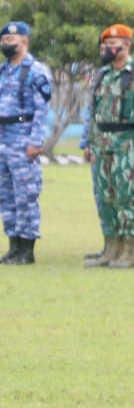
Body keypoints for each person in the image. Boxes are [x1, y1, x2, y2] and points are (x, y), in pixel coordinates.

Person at [80, 24, 134, 269]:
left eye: (113, 45)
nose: (108, 49)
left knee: (126, 197)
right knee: (106, 197)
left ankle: (129, 251)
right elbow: (94, 112)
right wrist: (90, 144)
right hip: (102, 144)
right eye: (105, 45)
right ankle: (110, 248)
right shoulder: (101, 75)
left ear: (127, 46)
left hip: (128, 145)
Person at [0, 21, 52, 265]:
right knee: (6, 196)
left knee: (25, 195)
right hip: (3, 139)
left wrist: (35, 141)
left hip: (23, 139)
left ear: (25, 41)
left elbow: (42, 110)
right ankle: (13, 247)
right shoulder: (3, 70)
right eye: (4, 41)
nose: (6, 45)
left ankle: (27, 249)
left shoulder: (36, 71)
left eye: (11, 41)